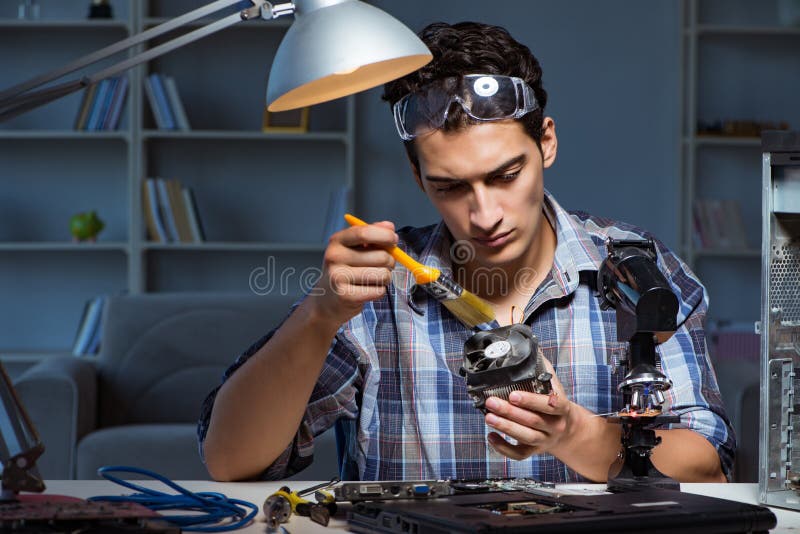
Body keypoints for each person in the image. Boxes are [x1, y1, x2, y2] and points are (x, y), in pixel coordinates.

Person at [198, 21, 732, 483]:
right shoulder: (379, 288)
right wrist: (318, 316)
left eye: (506, 176)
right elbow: (229, 461)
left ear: (546, 142)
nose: (485, 215)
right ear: (418, 176)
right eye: (451, 187)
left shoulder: (635, 270)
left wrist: (575, 434)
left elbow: (711, 465)